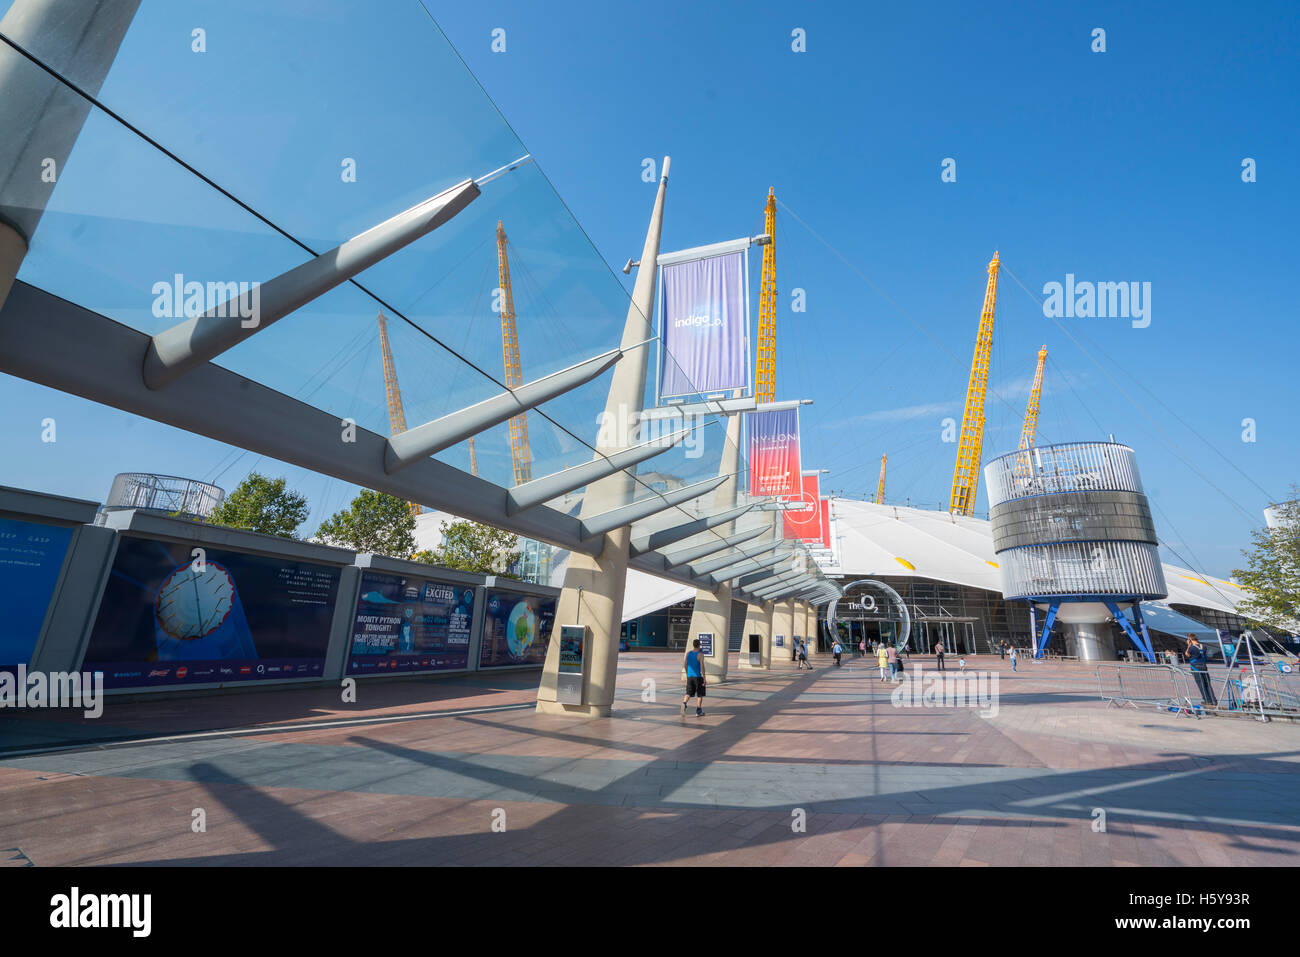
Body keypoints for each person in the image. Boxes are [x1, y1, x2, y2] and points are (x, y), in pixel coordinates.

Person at [1186, 635, 1216, 706]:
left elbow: (1187, 654)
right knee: (1207, 684)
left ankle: (1207, 700)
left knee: (1201, 684)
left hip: (1196, 668)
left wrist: (1188, 645)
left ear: (1190, 640)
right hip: (1204, 667)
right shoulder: (1204, 647)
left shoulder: (1192, 648)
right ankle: (1213, 700)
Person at [681, 638, 706, 716]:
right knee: (700, 694)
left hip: (689, 676)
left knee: (688, 693)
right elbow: (702, 666)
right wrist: (704, 677)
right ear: (699, 645)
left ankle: (684, 703)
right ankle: (698, 711)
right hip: (698, 677)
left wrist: (687, 672)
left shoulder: (688, 653)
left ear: (693, 645)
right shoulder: (700, 654)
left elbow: (685, 664)